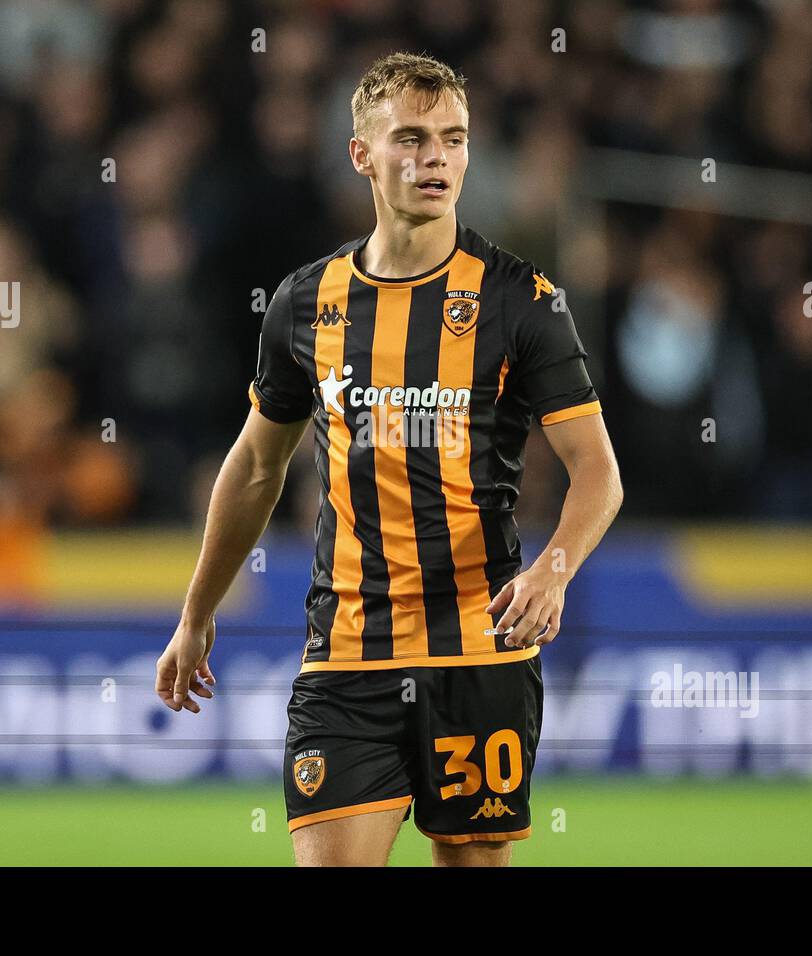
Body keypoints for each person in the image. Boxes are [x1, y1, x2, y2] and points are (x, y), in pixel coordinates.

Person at [155, 52, 622, 867]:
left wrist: (554, 570)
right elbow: (257, 469)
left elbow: (598, 471)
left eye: (453, 138)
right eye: (411, 137)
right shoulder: (305, 303)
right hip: (347, 655)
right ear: (362, 154)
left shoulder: (523, 301)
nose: (435, 157)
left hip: (479, 653)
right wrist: (196, 614)